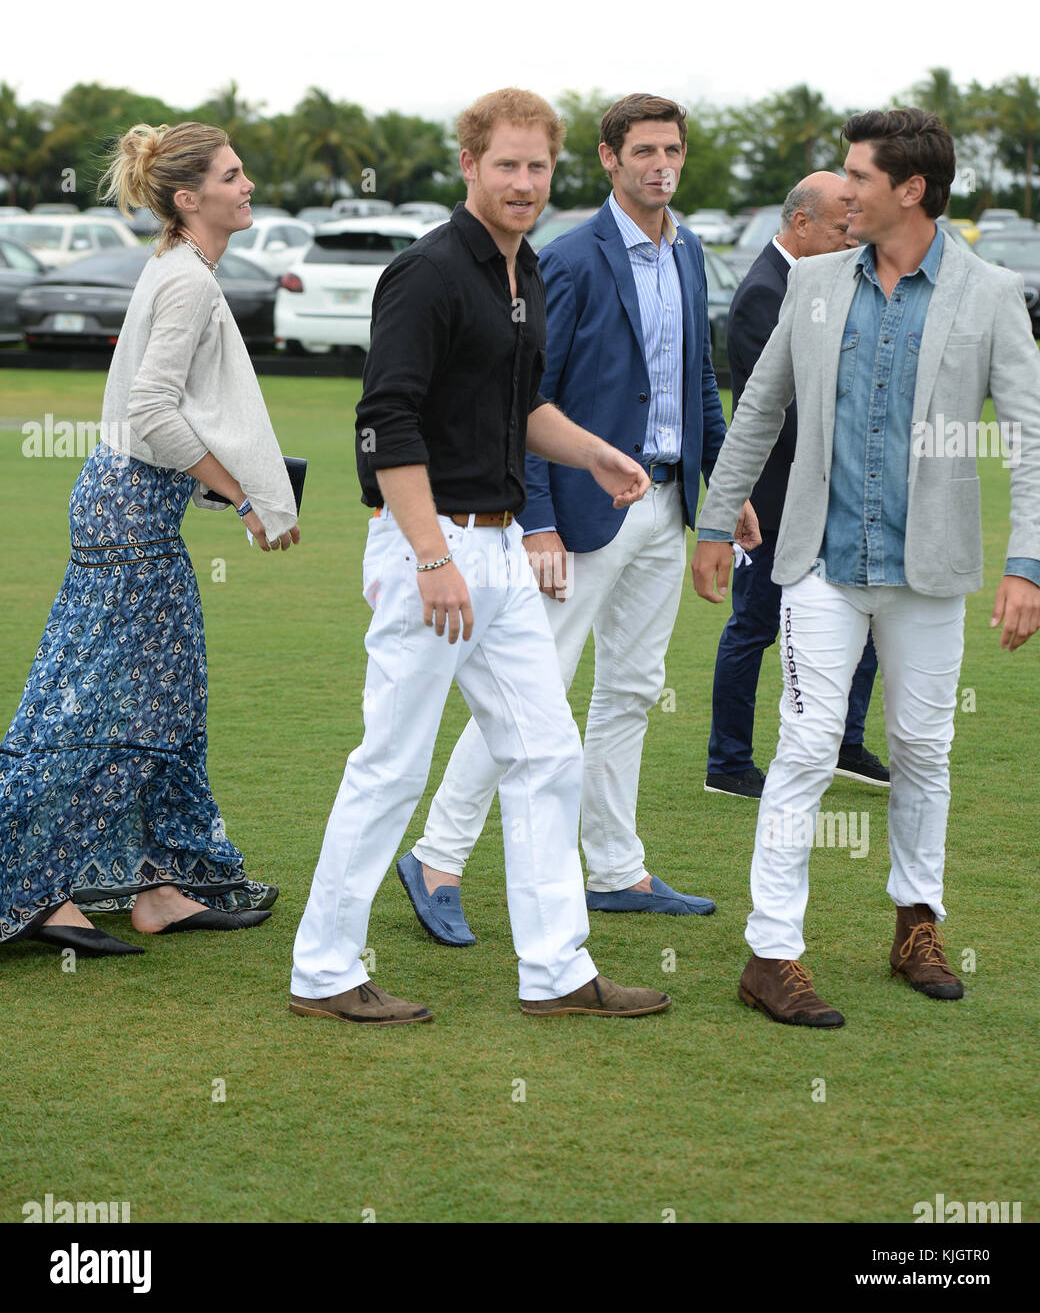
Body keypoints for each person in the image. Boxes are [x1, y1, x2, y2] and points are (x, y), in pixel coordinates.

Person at [290, 89, 673, 1025]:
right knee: (391, 766)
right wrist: (430, 555)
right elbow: (387, 422)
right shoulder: (424, 274)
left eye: (538, 167)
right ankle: (324, 971)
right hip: (435, 548)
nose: (523, 182)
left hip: (501, 549)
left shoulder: (527, 271)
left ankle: (557, 973)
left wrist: (593, 452)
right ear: (470, 165)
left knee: (546, 755)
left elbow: (521, 409)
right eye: (506, 164)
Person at [693, 107, 1040, 1028]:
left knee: (925, 749)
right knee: (806, 746)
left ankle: (916, 924)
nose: (843, 189)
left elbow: (1032, 437)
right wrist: (714, 523)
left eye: (857, 175)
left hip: (931, 570)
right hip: (817, 564)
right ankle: (772, 953)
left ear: (910, 189)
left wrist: (1028, 563)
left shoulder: (992, 292)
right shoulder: (809, 281)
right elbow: (757, 407)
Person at [395, 93, 759, 949]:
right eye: (643, 151)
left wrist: (722, 486)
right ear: (607, 158)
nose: (661, 165)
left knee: (630, 690)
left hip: (666, 505)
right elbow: (527, 397)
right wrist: (541, 522)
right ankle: (438, 858)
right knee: (534, 694)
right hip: (581, 515)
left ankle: (615, 867)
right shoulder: (569, 259)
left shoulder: (692, 252)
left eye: (672, 149)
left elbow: (699, 382)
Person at [0, 121, 300, 957]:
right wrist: (242, 495)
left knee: (159, 699)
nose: (247, 189)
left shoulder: (177, 268)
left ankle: (160, 887)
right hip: (130, 515)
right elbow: (153, 412)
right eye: (233, 177)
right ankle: (38, 891)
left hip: (127, 506)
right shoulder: (188, 282)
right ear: (187, 197)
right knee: (101, 707)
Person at [705, 172, 889, 798]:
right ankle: (728, 763)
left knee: (863, 622)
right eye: (842, 229)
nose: (851, 241)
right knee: (754, 628)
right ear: (801, 223)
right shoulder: (764, 291)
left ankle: (844, 742)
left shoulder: (835, 281)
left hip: (838, 497)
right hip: (781, 500)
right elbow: (774, 410)